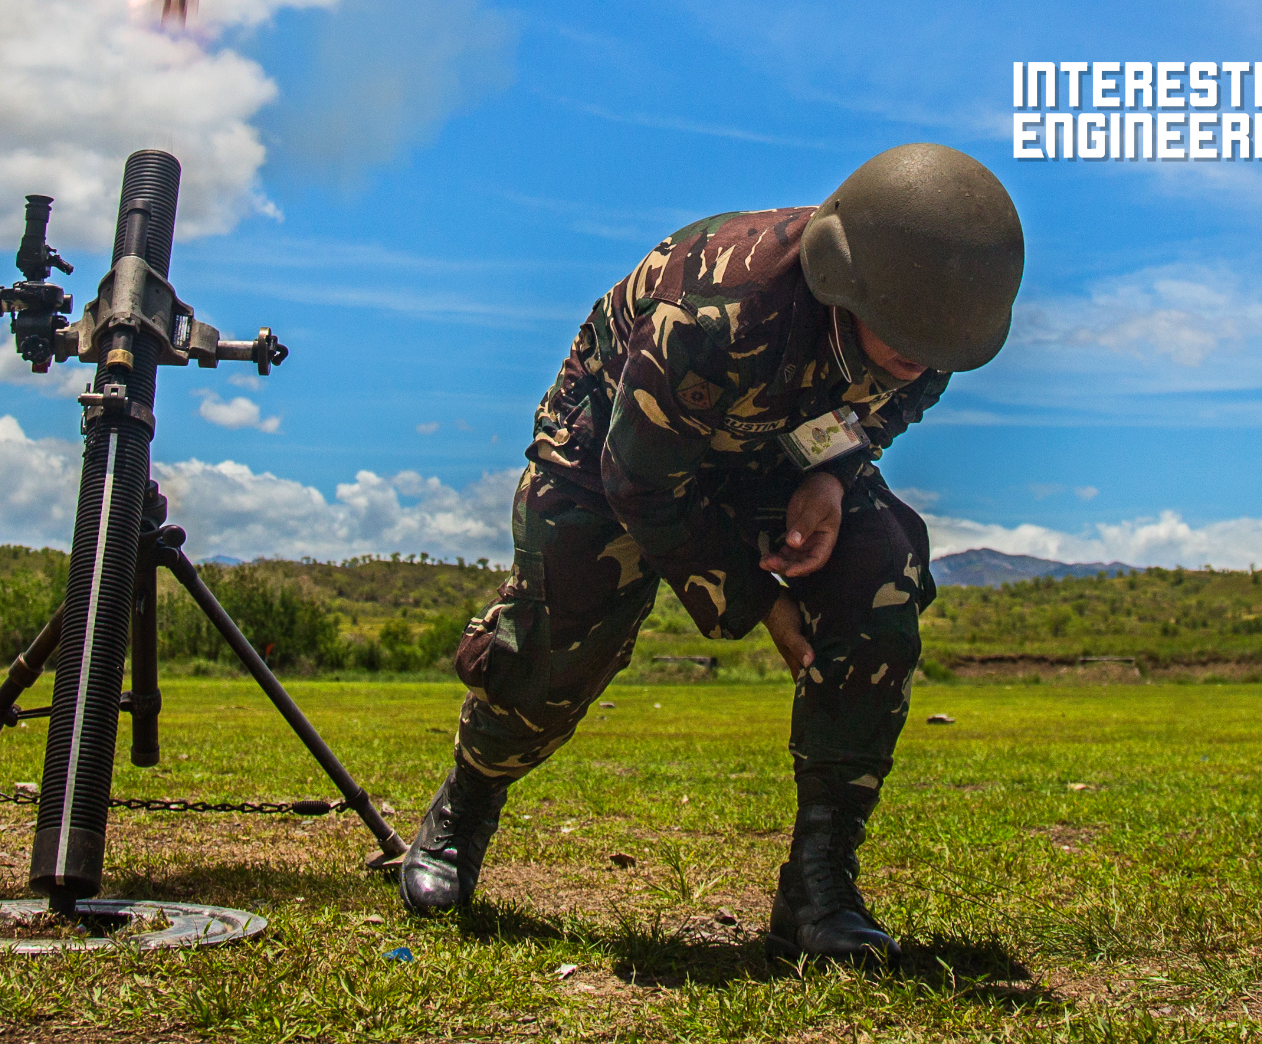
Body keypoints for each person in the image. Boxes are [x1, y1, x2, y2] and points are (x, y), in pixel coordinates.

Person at [398, 144, 1024, 968]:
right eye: (906, 337)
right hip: (613, 456)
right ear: (845, 280)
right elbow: (643, 482)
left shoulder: (929, 330)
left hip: (770, 454)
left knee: (882, 571)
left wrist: (831, 480)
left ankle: (817, 886)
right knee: (557, 654)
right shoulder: (713, 314)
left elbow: (873, 415)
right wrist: (760, 601)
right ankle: (467, 802)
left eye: (938, 346)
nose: (921, 359)